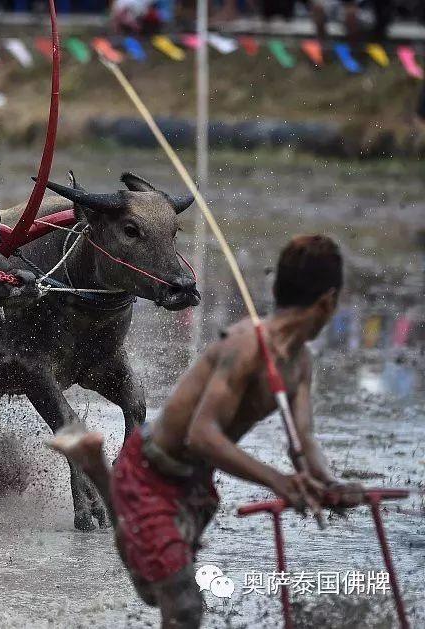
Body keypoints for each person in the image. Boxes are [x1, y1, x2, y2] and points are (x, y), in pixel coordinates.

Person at [51, 235, 364, 628]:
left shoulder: (299, 363)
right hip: (152, 470)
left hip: (194, 483)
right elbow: (203, 435)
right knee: (182, 605)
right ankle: (103, 473)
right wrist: (280, 482)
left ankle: (98, 470)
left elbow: (304, 443)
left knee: (152, 588)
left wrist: (328, 481)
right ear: (327, 302)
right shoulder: (245, 346)